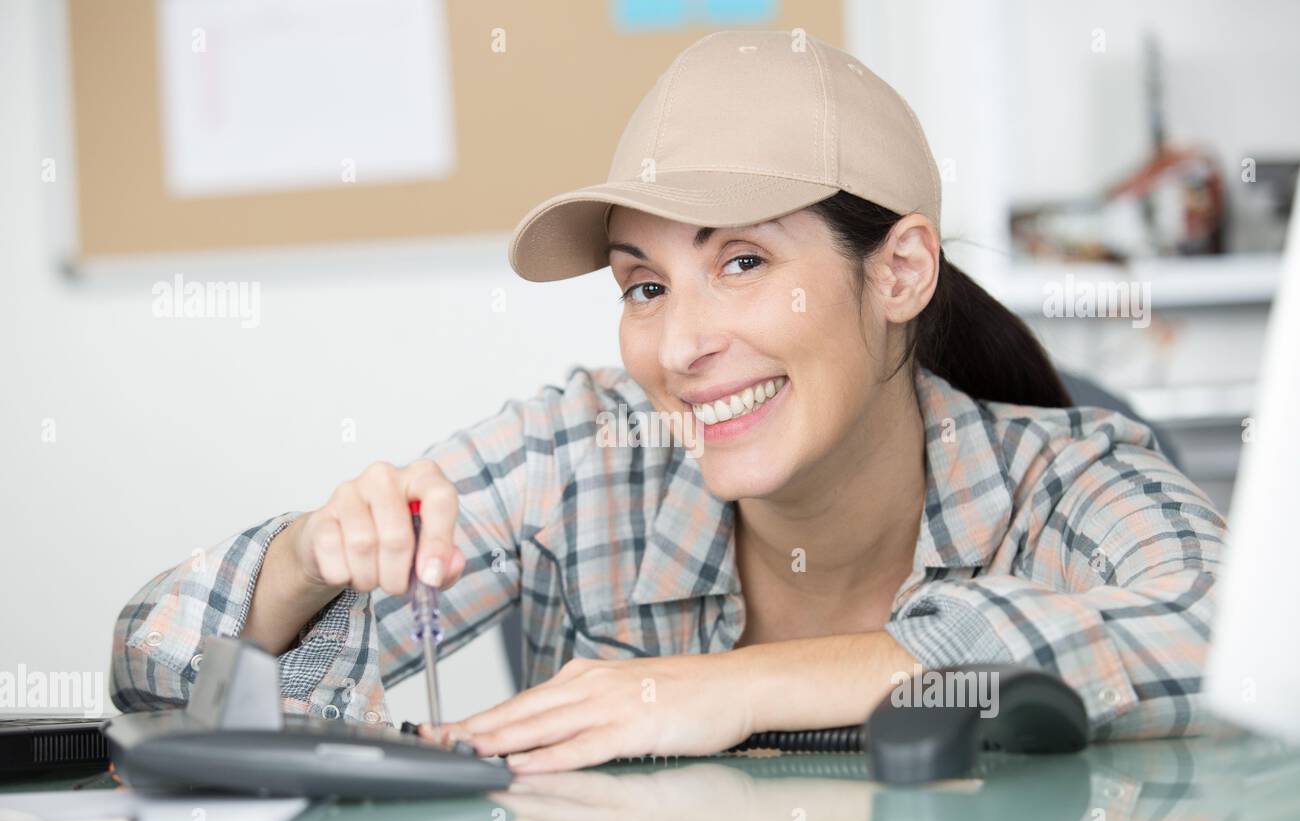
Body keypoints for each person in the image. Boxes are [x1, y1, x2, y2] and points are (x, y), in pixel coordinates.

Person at [111, 30, 1226, 773]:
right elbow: (154, 664)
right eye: (644, 284)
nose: (680, 343)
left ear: (897, 272)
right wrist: (306, 558)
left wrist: (735, 690)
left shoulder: (1062, 473)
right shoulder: (588, 452)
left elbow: (1239, 641)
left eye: (740, 262)